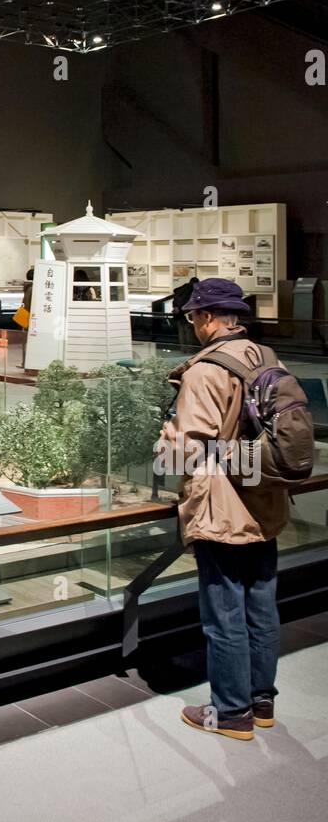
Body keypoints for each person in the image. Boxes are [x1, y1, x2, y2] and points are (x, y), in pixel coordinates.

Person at [156, 278, 292, 742]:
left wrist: (166, 437)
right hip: (264, 499)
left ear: (208, 318)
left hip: (221, 508)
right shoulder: (266, 357)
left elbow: (189, 451)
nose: (192, 324)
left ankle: (231, 712)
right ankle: (262, 702)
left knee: (224, 614)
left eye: (194, 316)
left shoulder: (204, 371)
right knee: (262, 606)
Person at [170, 275, 199, 348]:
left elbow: (174, 301)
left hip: (178, 314)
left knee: (181, 331)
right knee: (189, 332)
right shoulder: (192, 291)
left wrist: (176, 308)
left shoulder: (180, 289)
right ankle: (189, 349)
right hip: (187, 314)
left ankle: (183, 348)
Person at [19, 267, 34, 367]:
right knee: (29, 341)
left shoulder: (27, 288)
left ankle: (25, 362)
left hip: (25, 317)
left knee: (26, 341)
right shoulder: (32, 288)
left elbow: (25, 304)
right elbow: (29, 305)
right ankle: (27, 363)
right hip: (30, 319)